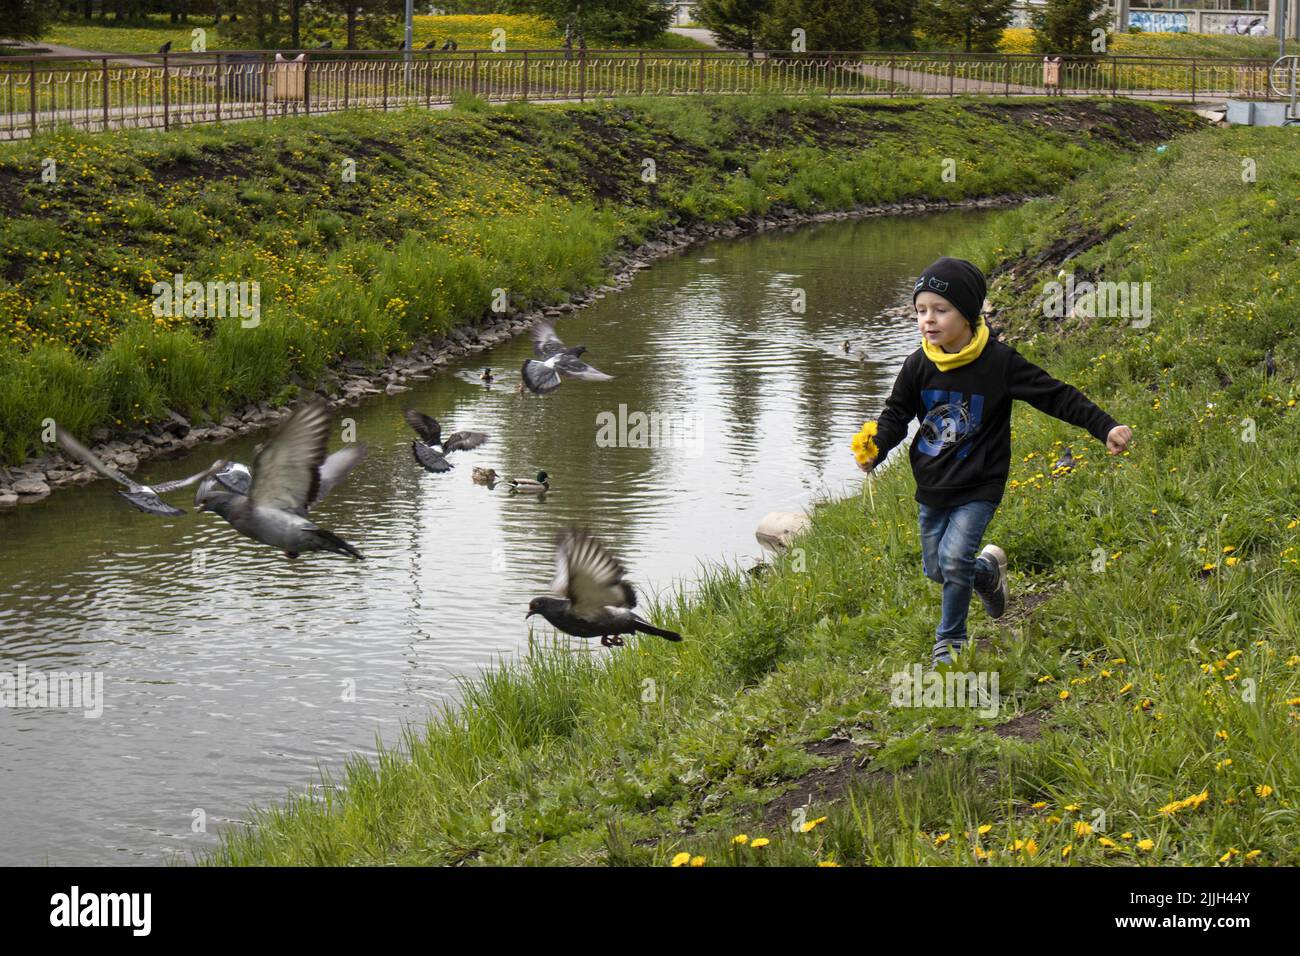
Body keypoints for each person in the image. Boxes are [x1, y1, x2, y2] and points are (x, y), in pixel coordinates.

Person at [860, 257, 1133, 666]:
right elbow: (897, 413)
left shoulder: (998, 363)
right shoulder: (919, 364)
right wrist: (876, 447)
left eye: (940, 310)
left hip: (979, 483)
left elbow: (1055, 395)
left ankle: (950, 640)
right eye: (920, 311)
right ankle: (987, 573)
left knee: (953, 563)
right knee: (937, 568)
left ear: (969, 314)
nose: (927, 321)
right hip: (933, 483)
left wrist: (1103, 426)